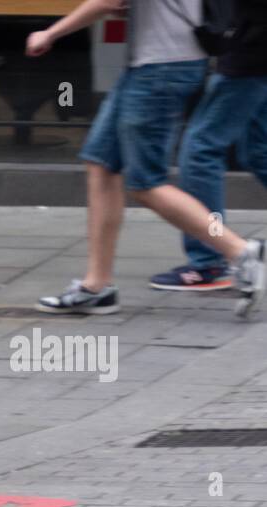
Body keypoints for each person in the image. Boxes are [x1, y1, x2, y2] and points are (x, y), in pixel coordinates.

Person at [29, 0, 265, 317]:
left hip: (161, 70)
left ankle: (238, 251)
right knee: (100, 163)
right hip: (154, 66)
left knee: (146, 183)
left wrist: (50, 33)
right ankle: (97, 286)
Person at [149, 0, 267, 292]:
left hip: (251, 48)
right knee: (258, 150)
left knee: (201, 151)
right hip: (254, 44)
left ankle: (209, 259)